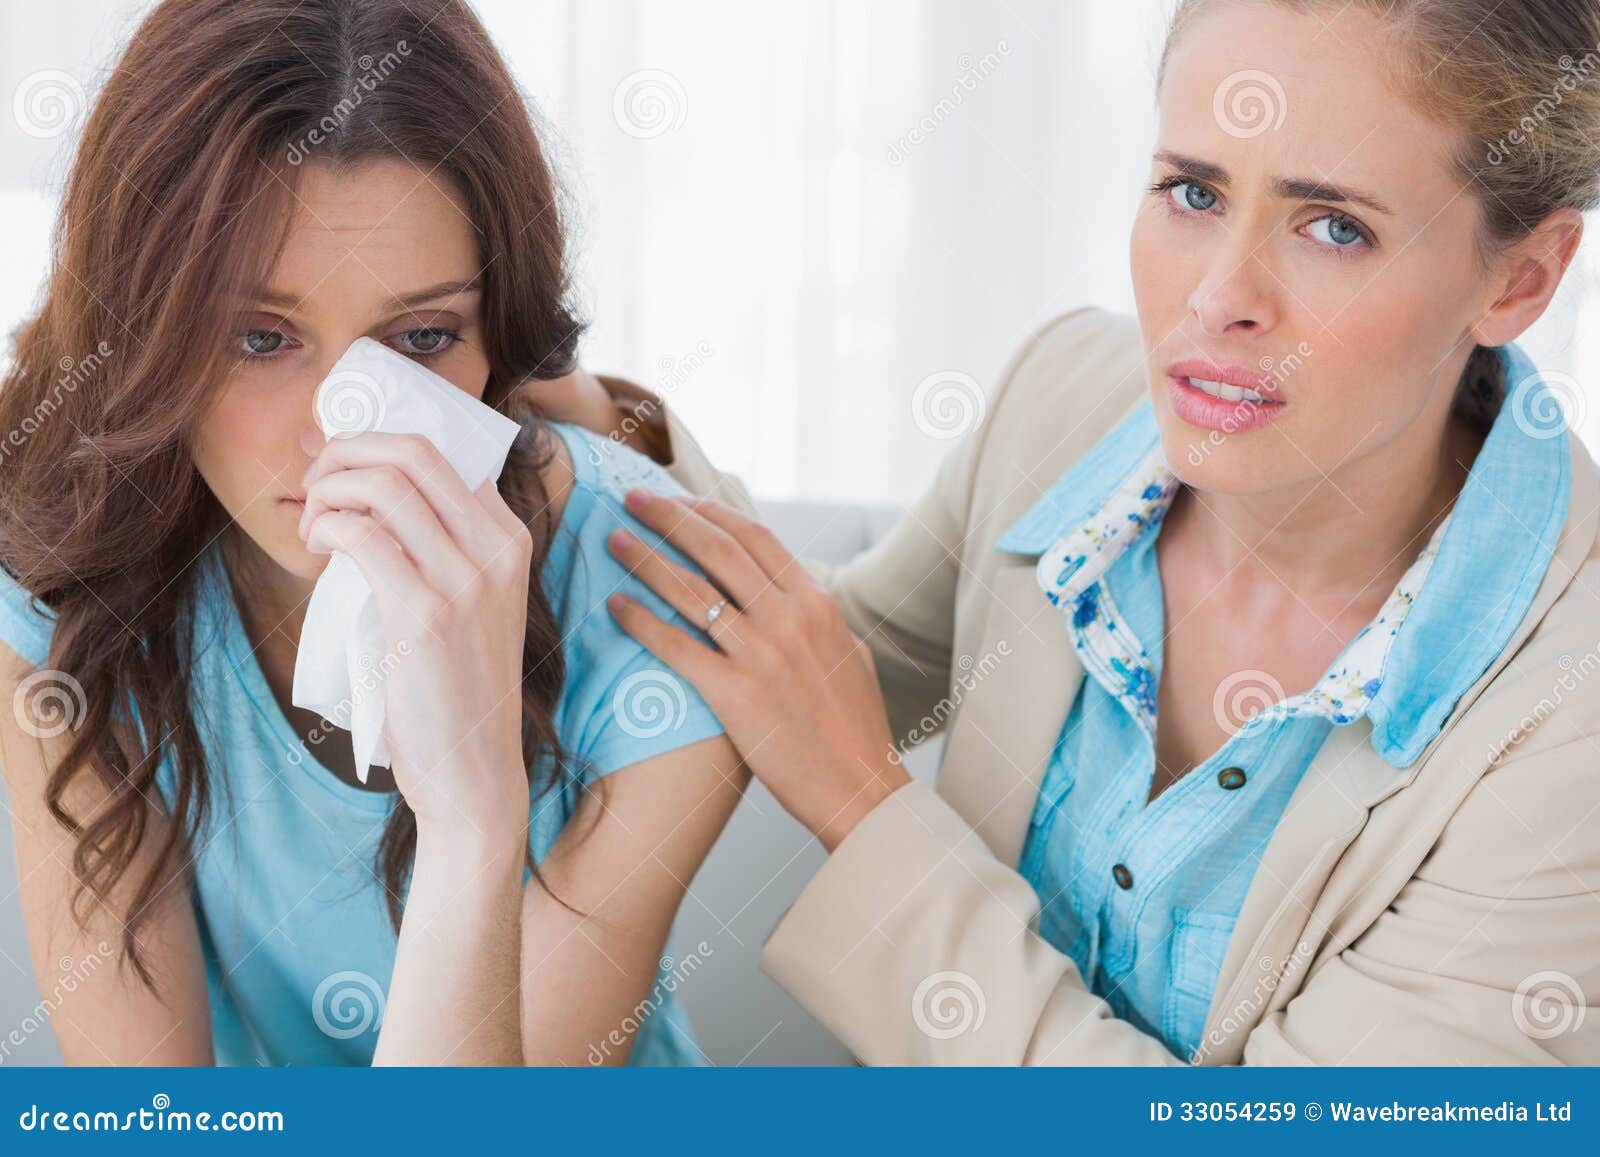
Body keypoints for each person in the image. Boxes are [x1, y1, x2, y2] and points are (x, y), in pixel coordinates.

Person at [549, 0, 1600, 1064]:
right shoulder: (1063, 401)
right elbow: (833, 662)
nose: (1216, 296)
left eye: (1335, 227)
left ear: (1519, 278)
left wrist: (865, 806)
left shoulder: (1570, 726)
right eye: (1192, 191)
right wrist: (598, 419)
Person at [0, 0, 744, 1067]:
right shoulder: (61, 564)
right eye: (258, 337)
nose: (338, 428)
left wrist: (474, 817)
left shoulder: (649, 601)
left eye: (421, 337)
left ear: (501, 340)